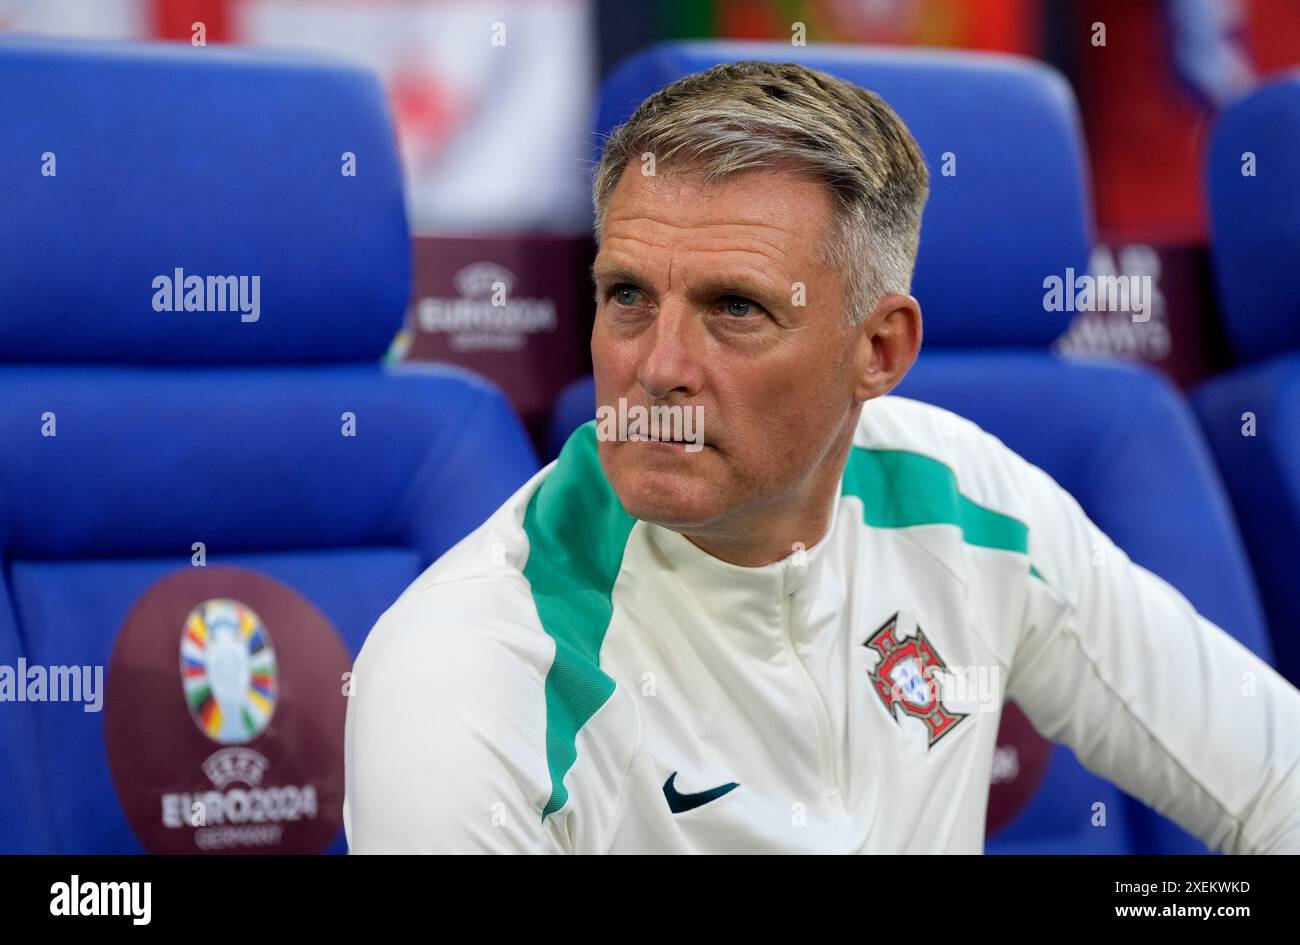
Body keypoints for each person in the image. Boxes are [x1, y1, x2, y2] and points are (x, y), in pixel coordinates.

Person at [343, 60, 1300, 853]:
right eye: (627, 296)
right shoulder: (469, 672)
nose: (658, 369)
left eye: (735, 309)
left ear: (878, 350)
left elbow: (1274, 777)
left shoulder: (968, 499)